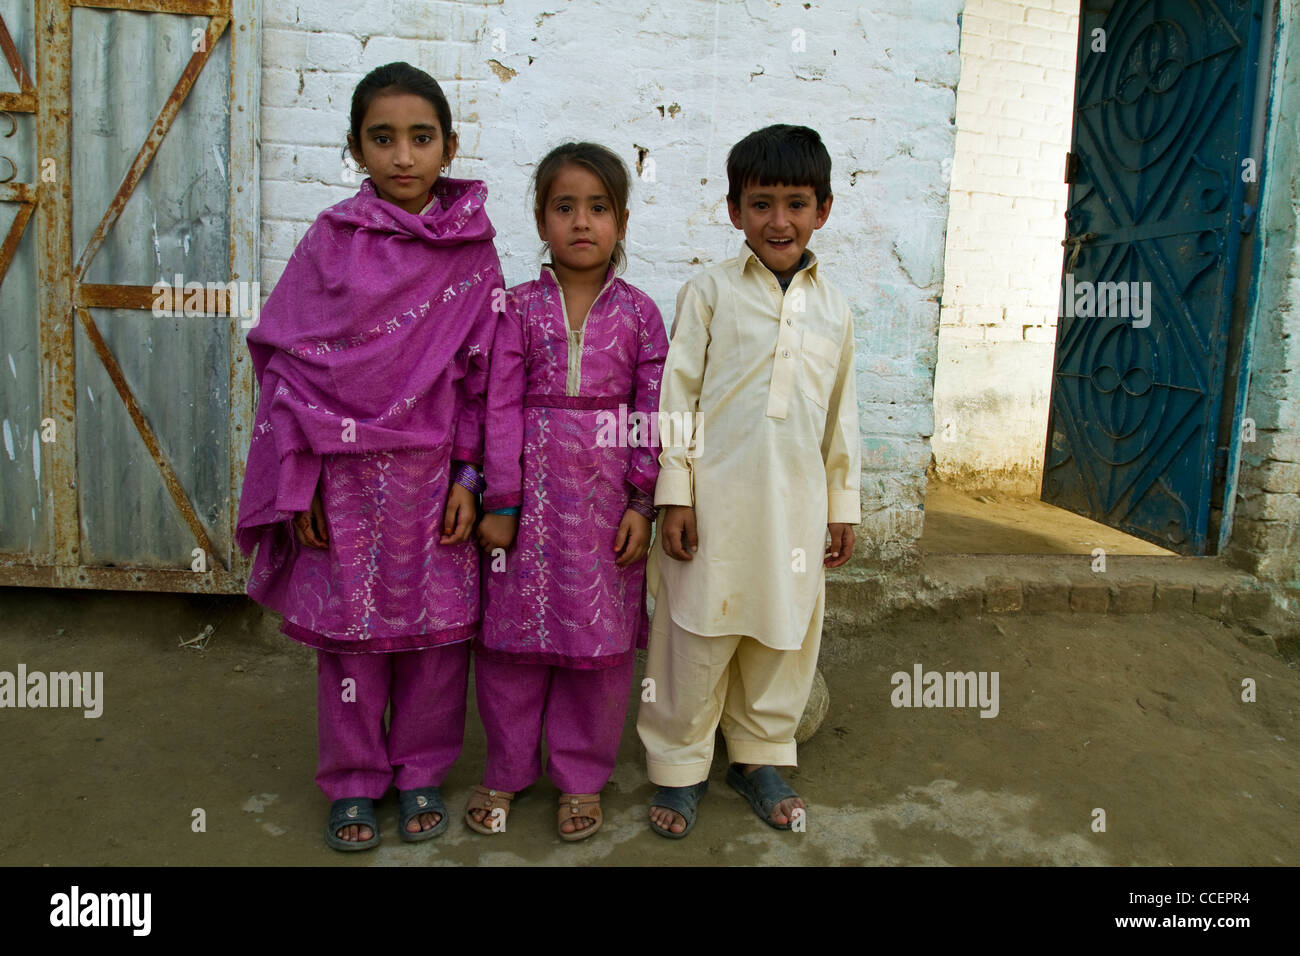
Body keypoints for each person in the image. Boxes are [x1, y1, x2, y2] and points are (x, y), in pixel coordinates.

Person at [235, 62, 502, 851]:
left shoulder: (473, 255)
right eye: (382, 139)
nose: (403, 156)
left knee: (437, 638)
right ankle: (353, 781)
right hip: (341, 477)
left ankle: (420, 770)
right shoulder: (331, 242)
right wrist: (299, 477)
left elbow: (482, 381)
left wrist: (468, 478)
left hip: (433, 481)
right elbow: (286, 362)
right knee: (350, 640)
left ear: (449, 146)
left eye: (421, 138)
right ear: (356, 147)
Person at [636, 124, 861, 837]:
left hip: (795, 510)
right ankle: (678, 766)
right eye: (760, 203)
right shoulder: (707, 293)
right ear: (734, 212)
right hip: (715, 506)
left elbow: (840, 416)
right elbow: (678, 398)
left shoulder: (835, 308)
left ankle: (760, 757)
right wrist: (676, 492)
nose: (779, 220)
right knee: (694, 637)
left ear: (824, 210)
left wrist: (842, 505)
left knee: (782, 634)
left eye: (797, 203)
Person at [470, 142, 667, 841]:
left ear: (620, 220)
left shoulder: (642, 314)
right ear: (540, 219)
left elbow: (652, 415)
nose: (581, 222)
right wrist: (500, 502)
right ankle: (508, 770)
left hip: (606, 511)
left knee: (600, 651)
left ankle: (582, 779)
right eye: (564, 207)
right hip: (526, 512)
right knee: (510, 648)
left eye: (598, 207)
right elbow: (497, 406)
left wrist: (643, 503)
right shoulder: (515, 307)